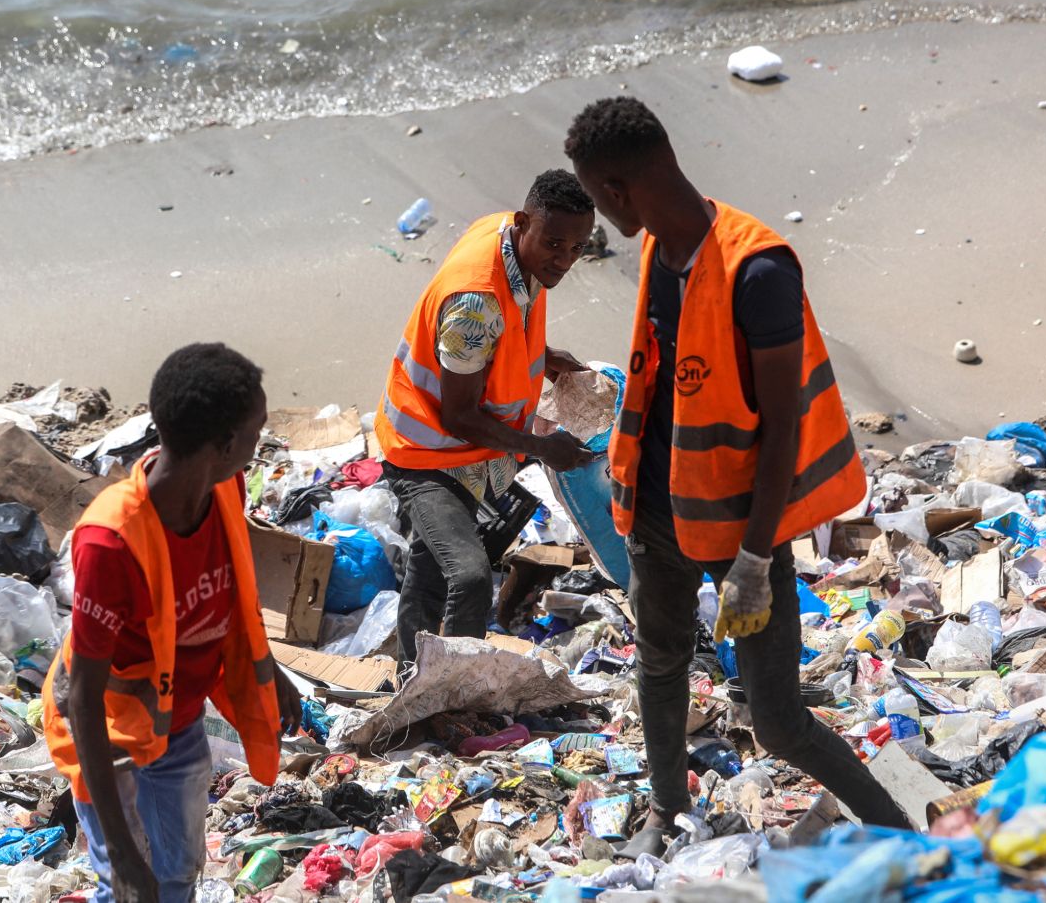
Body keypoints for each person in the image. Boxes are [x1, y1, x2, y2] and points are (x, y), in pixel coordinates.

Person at [562, 96, 907, 855]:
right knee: (658, 665)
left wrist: (755, 557)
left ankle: (893, 824)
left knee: (777, 716)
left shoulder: (759, 270)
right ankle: (662, 811)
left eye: (594, 196)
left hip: (737, 525)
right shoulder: (658, 248)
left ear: (617, 189)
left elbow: (782, 423)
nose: (596, 215)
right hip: (655, 508)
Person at [41, 343, 300, 903]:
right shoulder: (113, 540)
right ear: (224, 445)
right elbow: (83, 697)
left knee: (179, 876)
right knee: (134, 888)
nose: (258, 448)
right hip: (113, 735)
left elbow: (230, 599)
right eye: (255, 434)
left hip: (177, 723)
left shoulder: (223, 488)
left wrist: (272, 671)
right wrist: (124, 855)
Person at [375, 170, 602, 664]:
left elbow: (500, 335)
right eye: (554, 244)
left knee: (430, 563)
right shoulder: (473, 304)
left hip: (462, 445)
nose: (563, 260)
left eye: (578, 247)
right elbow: (458, 415)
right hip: (426, 450)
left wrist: (545, 355)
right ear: (524, 223)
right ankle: (458, 692)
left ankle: (411, 672)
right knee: (470, 574)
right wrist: (545, 449)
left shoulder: (510, 241)